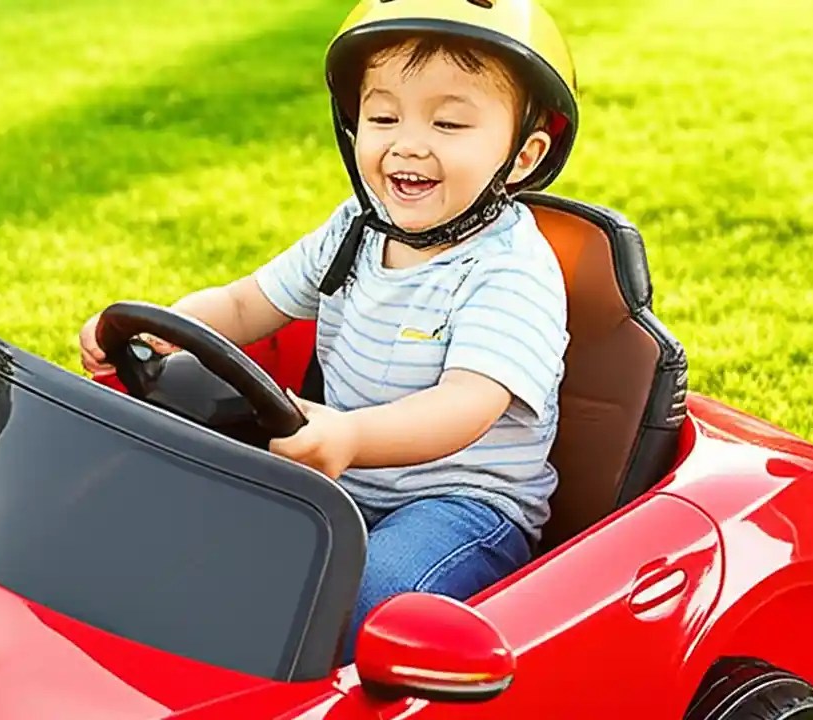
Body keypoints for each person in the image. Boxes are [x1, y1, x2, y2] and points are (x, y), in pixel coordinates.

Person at [80, 0, 581, 660]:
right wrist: (167, 324)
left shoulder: (511, 269)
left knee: (360, 601)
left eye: (450, 122)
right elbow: (242, 304)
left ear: (522, 156)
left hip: (461, 505)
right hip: (338, 483)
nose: (407, 142)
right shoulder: (356, 228)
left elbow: (466, 406)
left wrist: (349, 435)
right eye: (382, 116)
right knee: (186, 544)